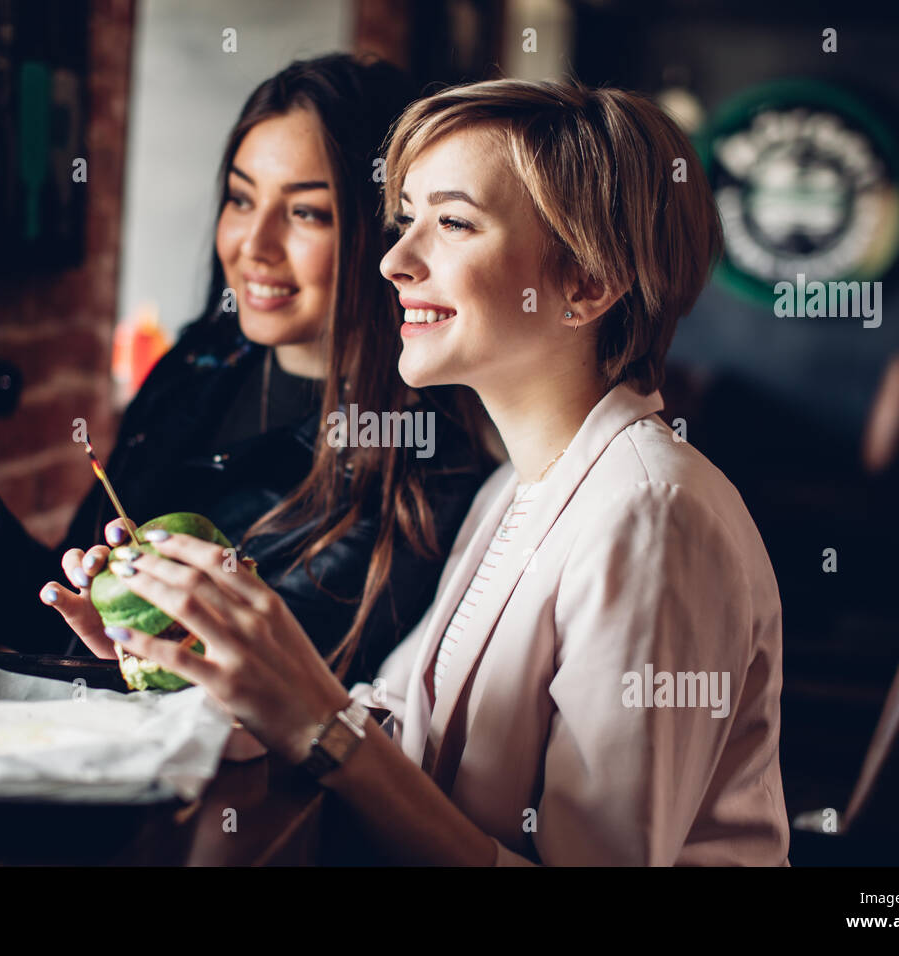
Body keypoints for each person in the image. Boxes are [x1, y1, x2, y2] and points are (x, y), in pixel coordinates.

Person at [84, 79, 790, 866]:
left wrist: (321, 721)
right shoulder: (514, 485)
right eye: (406, 218)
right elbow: (398, 736)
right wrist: (205, 666)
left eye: (453, 223)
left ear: (587, 283)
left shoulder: (652, 516)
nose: (393, 261)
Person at [0, 54, 493, 688]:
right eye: (241, 200)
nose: (254, 245)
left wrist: (140, 653)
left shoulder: (414, 455)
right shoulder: (197, 365)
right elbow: (78, 631)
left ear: (387, 231)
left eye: (307, 212)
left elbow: (270, 699)